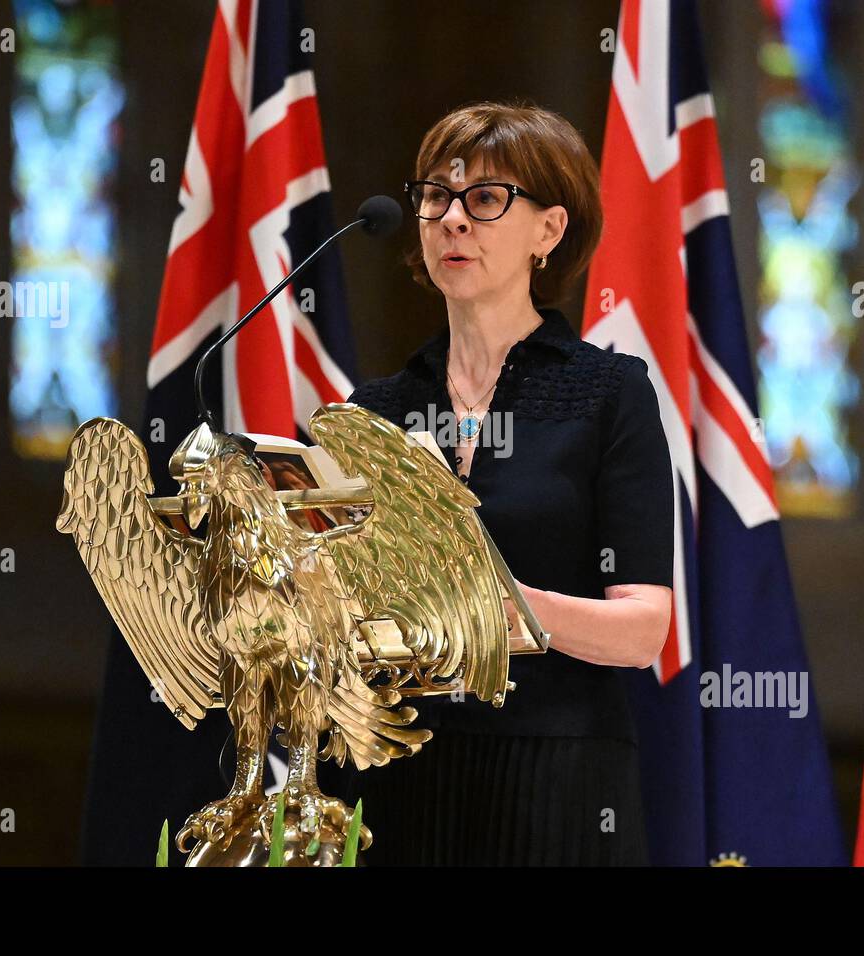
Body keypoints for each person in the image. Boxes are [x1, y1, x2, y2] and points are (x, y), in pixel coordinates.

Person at [330, 100, 675, 865]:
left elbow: (644, 629)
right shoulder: (373, 410)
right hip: (396, 766)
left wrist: (505, 610)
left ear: (548, 231)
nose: (453, 220)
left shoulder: (607, 393)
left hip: (555, 772)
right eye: (435, 197)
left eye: (486, 200)